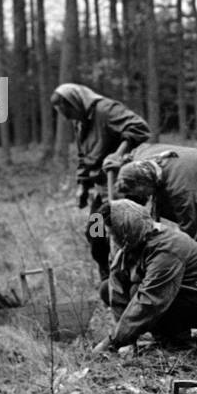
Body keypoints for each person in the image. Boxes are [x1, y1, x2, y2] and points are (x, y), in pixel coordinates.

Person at [92, 200, 197, 354]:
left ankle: (180, 346)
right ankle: (164, 339)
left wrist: (112, 342)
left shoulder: (167, 247)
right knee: (106, 288)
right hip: (178, 293)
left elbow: (151, 300)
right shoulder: (131, 245)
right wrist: (126, 340)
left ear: (126, 229)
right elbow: (117, 289)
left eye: (113, 234)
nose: (112, 239)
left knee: (139, 293)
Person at [50, 83, 151, 280]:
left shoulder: (106, 110)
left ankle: (136, 280)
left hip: (123, 188)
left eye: (67, 111)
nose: (67, 118)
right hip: (101, 190)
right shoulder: (80, 122)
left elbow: (139, 128)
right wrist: (83, 185)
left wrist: (118, 153)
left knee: (127, 237)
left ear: (76, 102)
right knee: (94, 234)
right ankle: (109, 278)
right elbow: (83, 156)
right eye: (63, 114)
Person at [114, 145, 197, 261]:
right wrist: (116, 160)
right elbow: (132, 154)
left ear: (144, 182)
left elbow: (191, 232)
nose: (141, 197)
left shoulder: (181, 191)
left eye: (139, 192)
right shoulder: (142, 160)